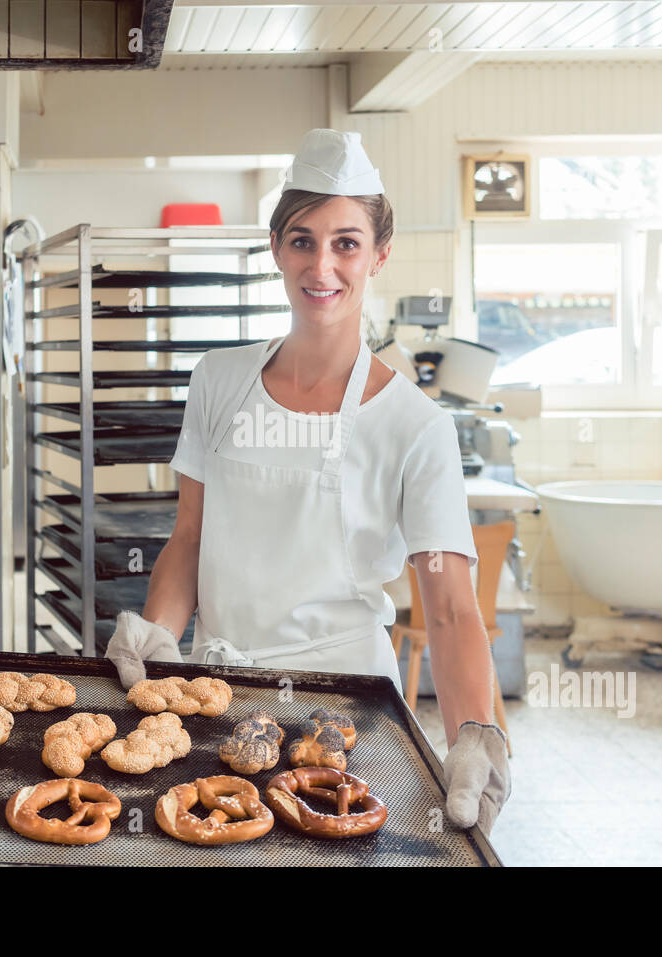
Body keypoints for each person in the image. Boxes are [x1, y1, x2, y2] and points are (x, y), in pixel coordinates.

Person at [105, 129, 510, 833]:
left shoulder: (417, 426)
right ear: (276, 247)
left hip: (350, 714)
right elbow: (190, 539)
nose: (322, 264)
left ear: (380, 253)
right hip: (220, 696)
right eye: (302, 239)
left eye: (346, 242)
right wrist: (160, 633)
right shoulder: (218, 380)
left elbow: (448, 608)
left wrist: (475, 727)